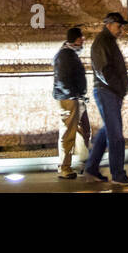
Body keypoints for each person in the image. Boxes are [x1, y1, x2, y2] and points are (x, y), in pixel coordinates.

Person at [83, 12, 128, 186]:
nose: (121, 30)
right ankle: (118, 174)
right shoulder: (103, 42)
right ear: (110, 24)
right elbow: (104, 70)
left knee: (108, 131)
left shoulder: (108, 41)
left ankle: (91, 167)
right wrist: (119, 89)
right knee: (116, 135)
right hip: (108, 92)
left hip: (109, 91)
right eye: (119, 26)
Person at [52, 25, 89, 179]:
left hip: (74, 97)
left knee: (82, 131)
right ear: (76, 39)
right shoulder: (66, 55)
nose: (83, 41)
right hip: (69, 99)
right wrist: (74, 95)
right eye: (81, 38)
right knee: (68, 133)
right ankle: (64, 167)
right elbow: (64, 80)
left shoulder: (68, 54)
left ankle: (85, 162)